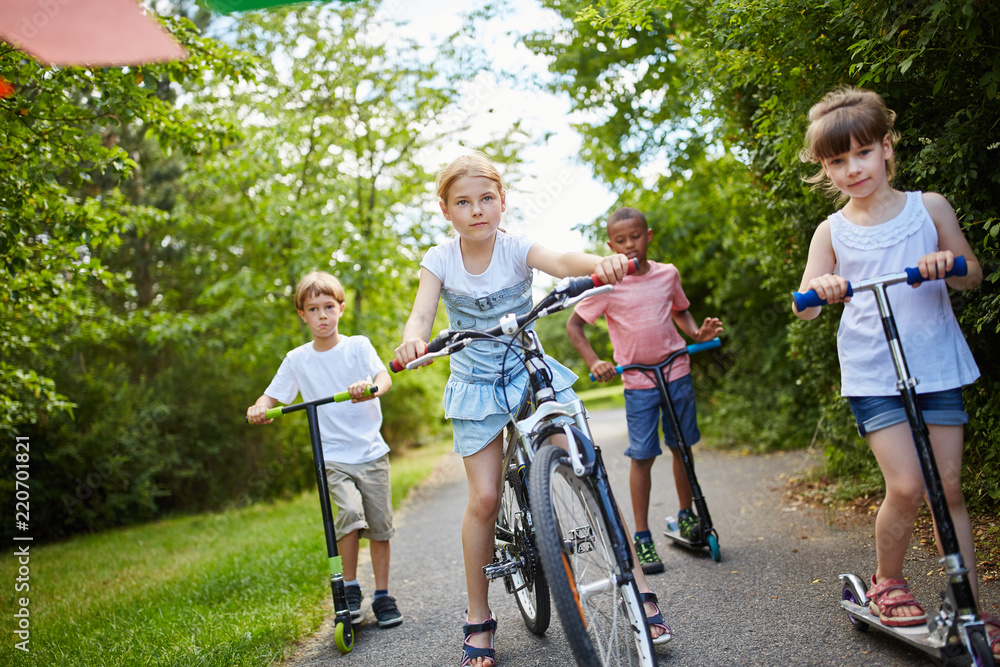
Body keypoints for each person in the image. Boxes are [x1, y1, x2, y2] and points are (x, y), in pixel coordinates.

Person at [393, 152, 671, 667]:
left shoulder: (517, 247)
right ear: (446, 210)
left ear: (502, 202)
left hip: (529, 371)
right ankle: (479, 617)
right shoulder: (440, 259)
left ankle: (637, 591)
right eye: (463, 202)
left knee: (584, 465)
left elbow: (564, 263)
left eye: (487, 198)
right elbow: (423, 313)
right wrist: (414, 342)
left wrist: (599, 264)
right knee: (483, 498)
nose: (477, 209)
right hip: (476, 385)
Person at [793, 87, 995, 653]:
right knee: (906, 486)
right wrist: (821, 288)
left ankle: (968, 608)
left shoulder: (928, 208)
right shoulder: (832, 231)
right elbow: (803, 300)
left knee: (947, 487)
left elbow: (971, 273)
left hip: (934, 362)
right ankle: (888, 582)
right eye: (837, 160)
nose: (852, 168)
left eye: (862, 153)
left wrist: (944, 264)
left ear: (886, 147)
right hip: (873, 371)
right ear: (824, 167)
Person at [566, 207, 723, 575]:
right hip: (638, 382)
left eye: (634, 237)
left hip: (676, 370)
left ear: (648, 236)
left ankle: (686, 515)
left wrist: (696, 334)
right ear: (609, 246)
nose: (629, 245)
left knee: (681, 447)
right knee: (643, 455)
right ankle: (642, 535)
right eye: (620, 241)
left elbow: (680, 311)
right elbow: (575, 326)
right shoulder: (606, 284)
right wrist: (594, 362)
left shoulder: (668, 274)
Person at [246, 271, 403, 629]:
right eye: (313, 309)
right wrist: (259, 406)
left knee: (380, 527)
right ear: (302, 315)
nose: (322, 315)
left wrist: (370, 388)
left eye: (328, 307)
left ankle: (382, 595)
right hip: (332, 456)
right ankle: (349, 589)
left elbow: (384, 377)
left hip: (371, 452)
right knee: (348, 515)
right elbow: (272, 394)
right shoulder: (297, 359)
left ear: (341, 309)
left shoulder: (357, 346)